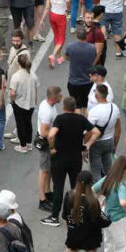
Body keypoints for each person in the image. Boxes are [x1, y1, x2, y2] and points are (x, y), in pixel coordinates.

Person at [42, 95, 102, 227]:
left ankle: (54, 217)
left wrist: (52, 148)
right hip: (75, 158)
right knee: (76, 187)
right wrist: (87, 145)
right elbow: (96, 132)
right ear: (75, 107)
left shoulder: (60, 119)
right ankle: (76, 216)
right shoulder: (81, 119)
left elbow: (51, 135)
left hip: (59, 159)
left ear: (64, 107)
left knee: (58, 187)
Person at [37, 86, 62, 211]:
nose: (61, 96)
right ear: (54, 97)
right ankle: (42, 199)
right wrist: (52, 146)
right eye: (60, 94)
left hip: (50, 142)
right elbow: (43, 132)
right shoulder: (47, 111)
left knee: (48, 170)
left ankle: (47, 192)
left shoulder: (49, 105)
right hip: (47, 143)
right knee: (44, 171)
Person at [9, 52, 39, 153]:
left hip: (19, 103)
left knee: (20, 124)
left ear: (18, 64)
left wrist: (11, 100)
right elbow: (36, 89)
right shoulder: (33, 75)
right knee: (28, 123)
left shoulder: (16, 76)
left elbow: (13, 93)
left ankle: (23, 146)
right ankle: (29, 143)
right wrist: (35, 101)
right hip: (31, 103)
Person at [65, 24, 98, 111]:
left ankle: (78, 123)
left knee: (77, 106)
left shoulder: (70, 47)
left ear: (77, 36)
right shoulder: (92, 47)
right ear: (86, 36)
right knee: (86, 106)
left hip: (74, 82)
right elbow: (95, 57)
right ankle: (86, 122)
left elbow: (66, 57)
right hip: (88, 81)